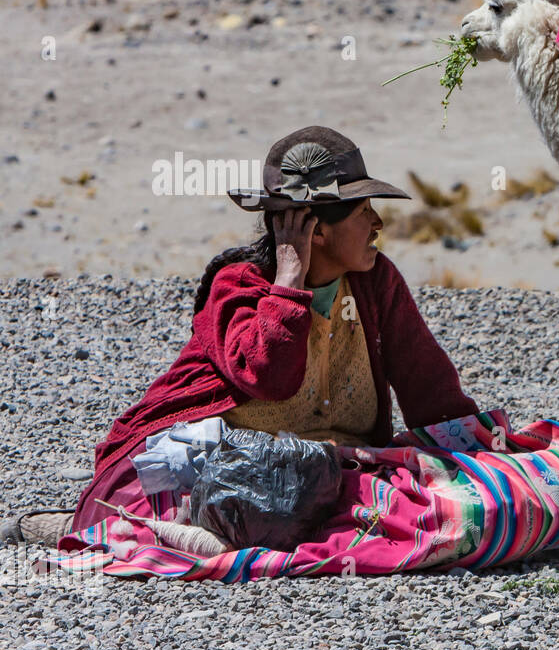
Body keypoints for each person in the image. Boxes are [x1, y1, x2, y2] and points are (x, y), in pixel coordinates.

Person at [6, 126, 477, 545]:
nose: (378, 225)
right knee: (225, 519)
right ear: (314, 228)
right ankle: (61, 527)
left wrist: (476, 455)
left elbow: (428, 384)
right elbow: (268, 376)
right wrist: (290, 283)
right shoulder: (237, 286)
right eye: (363, 213)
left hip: (341, 468)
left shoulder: (376, 283)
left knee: (445, 512)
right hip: (236, 469)